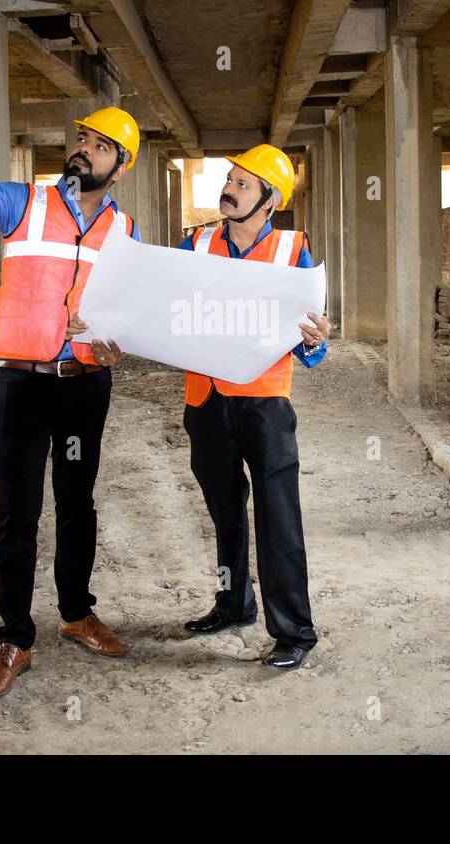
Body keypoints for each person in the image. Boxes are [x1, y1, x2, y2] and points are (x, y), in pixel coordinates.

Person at [0, 68, 139, 699]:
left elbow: (131, 314)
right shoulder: (26, 203)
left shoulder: (125, 234)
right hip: (20, 386)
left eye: (100, 144)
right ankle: (15, 639)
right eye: (80, 138)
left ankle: (76, 613)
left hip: (83, 385)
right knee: (17, 514)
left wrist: (113, 345)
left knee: (77, 501)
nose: (84, 148)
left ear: (120, 166)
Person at [176, 144, 331, 670]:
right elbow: (165, 304)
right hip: (206, 401)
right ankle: (233, 603)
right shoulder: (195, 243)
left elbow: (313, 346)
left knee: (278, 517)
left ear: (270, 200)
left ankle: (294, 632)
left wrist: (315, 340)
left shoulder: (293, 251)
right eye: (231, 179)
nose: (230, 189)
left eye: (244, 183)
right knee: (224, 513)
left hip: (264, 405)